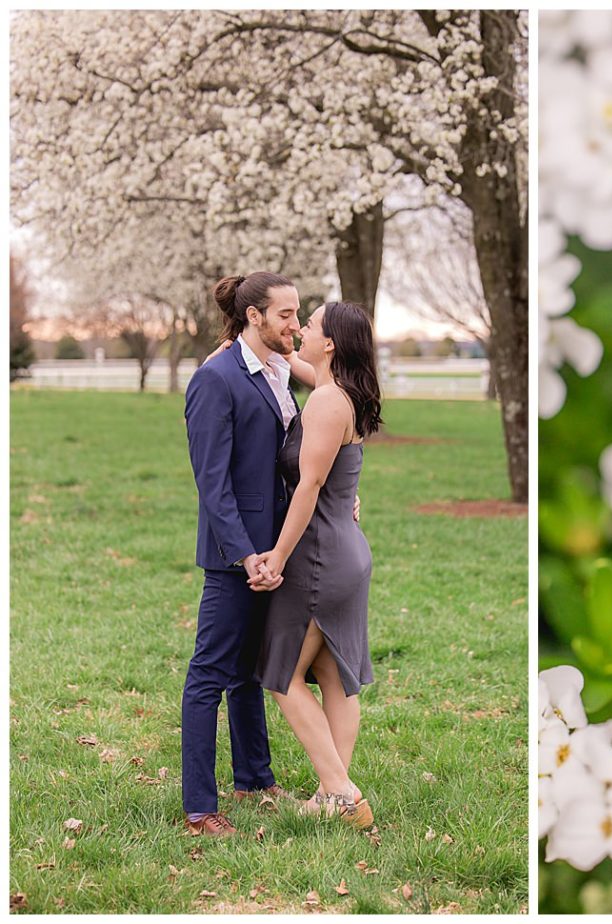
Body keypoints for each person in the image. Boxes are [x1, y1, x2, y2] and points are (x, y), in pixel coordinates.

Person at [181, 272, 304, 836]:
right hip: (237, 556)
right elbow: (213, 482)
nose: (295, 325)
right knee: (209, 674)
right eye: (285, 315)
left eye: (298, 314)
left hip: (277, 549)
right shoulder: (215, 379)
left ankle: (254, 777)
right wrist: (245, 554)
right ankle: (200, 808)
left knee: (250, 673)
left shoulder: (277, 372)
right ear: (254, 315)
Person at [252, 301, 382, 828]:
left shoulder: (328, 403)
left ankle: (342, 790)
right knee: (332, 672)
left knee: (283, 675)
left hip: (320, 555)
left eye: (311, 325)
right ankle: (334, 792)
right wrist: (252, 345)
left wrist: (277, 557)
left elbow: (307, 486)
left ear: (329, 343)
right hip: (346, 545)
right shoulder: (340, 389)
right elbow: (295, 364)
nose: (301, 329)